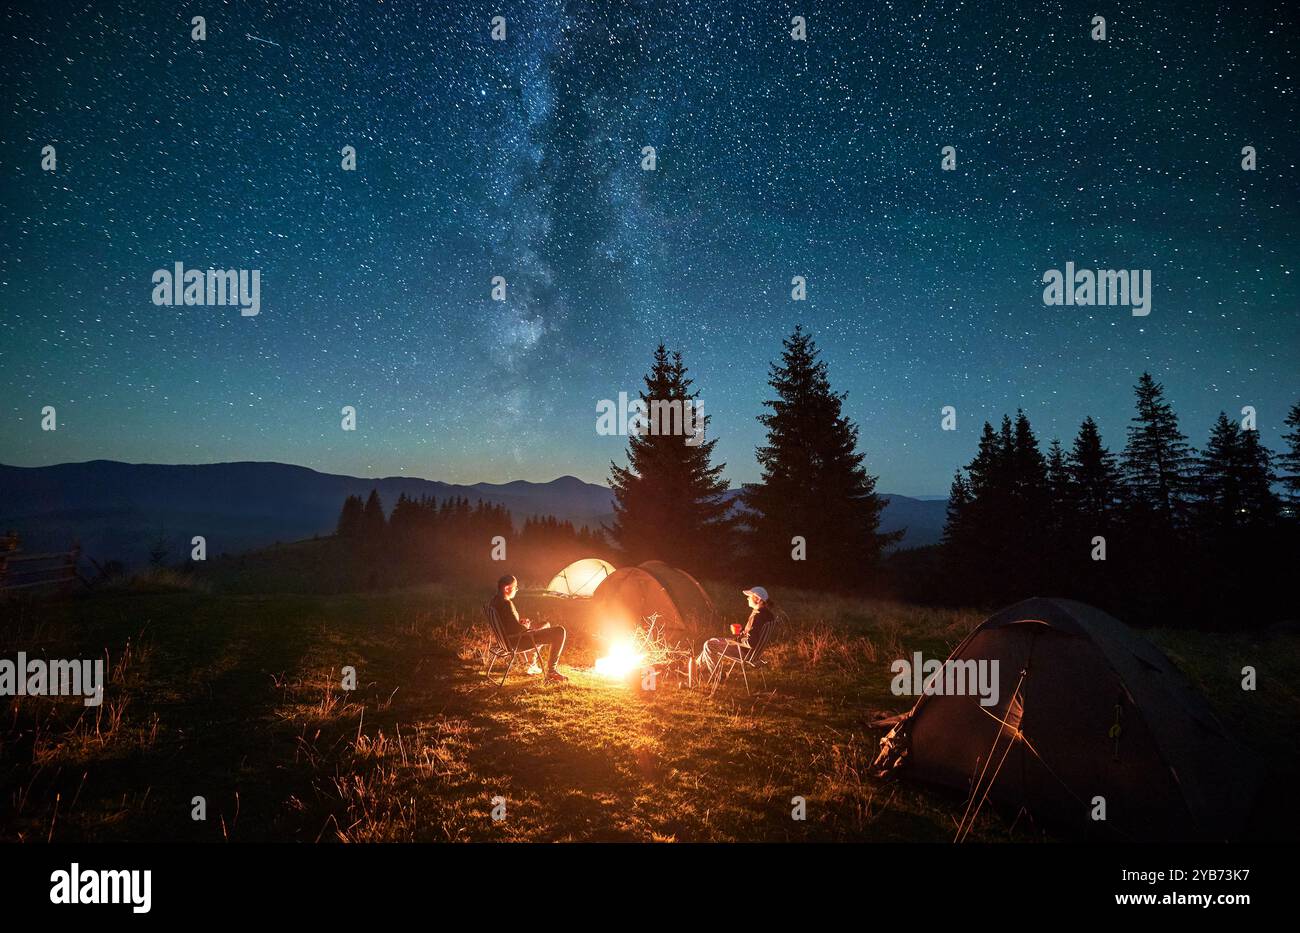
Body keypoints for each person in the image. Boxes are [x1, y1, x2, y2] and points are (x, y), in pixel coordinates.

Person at [489, 574, 568, 683]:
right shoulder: (507, 604)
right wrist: (526, 626)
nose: (516, 590)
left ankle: (532, 663)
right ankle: (551, 671)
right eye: (515, 587)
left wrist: (521, 623)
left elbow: (510, 624)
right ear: (507, 588)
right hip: (517, 641)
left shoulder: (494, 601)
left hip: (507, 640)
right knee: (559, 631)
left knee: (545, 624)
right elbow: (520, 630)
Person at [696, 585, 775, 678]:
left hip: (744, 651)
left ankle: (717, 676)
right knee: (712, 640)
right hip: (752, 653)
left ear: (758, 600)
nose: (747, 598)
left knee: (709, 645)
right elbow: (754, 634)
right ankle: (696, 669)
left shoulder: (757, 616)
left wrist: (735, 641)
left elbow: (751, 642)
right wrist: (741, 631)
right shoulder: (768, 615)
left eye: (750, 596)